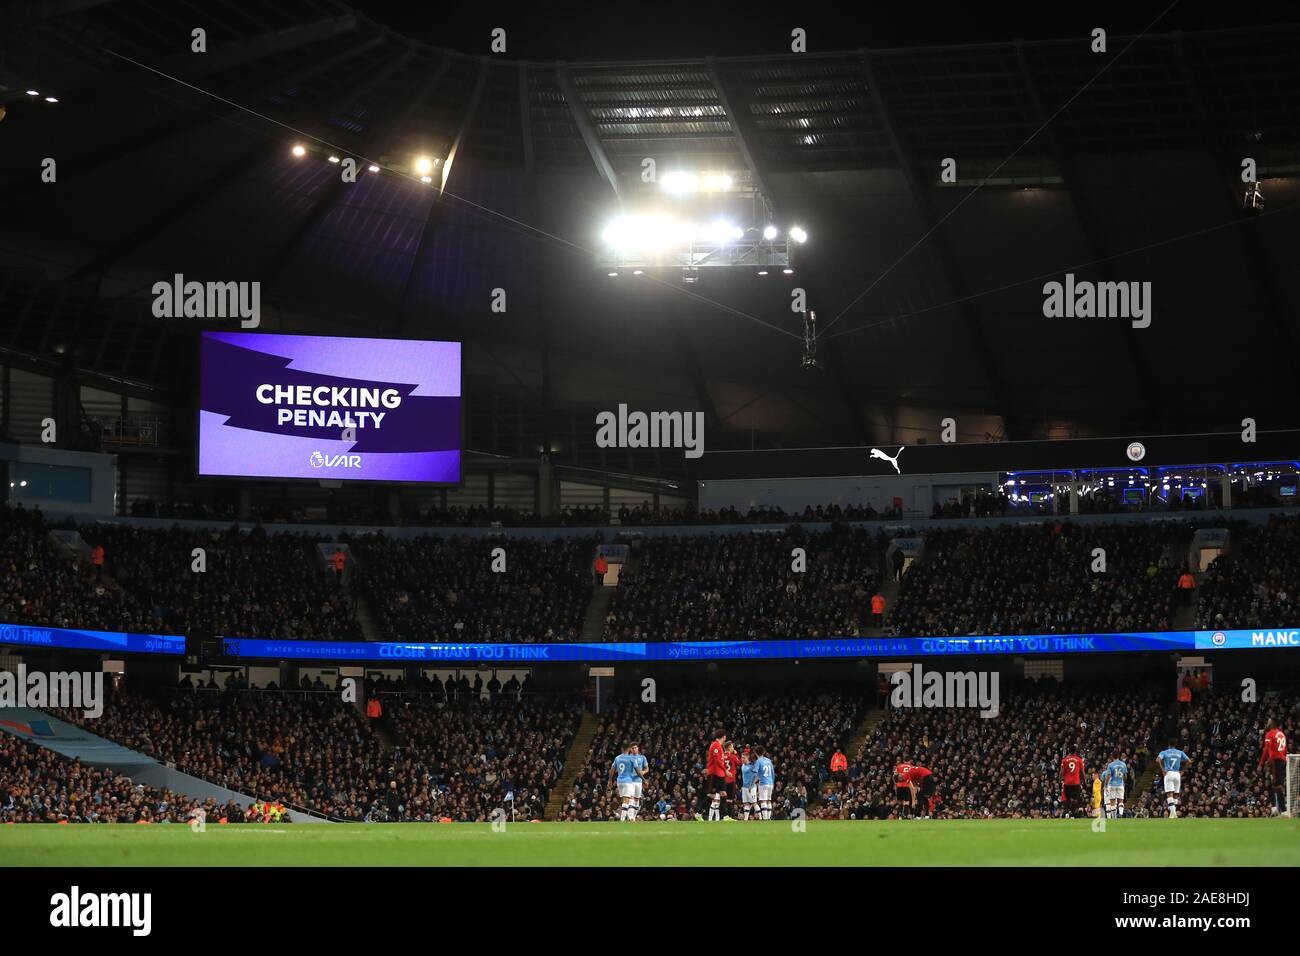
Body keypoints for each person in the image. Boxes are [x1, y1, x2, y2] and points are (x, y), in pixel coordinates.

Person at [610, 742, 648, 822]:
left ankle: (630, 817)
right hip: (628, 781)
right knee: (628, 800)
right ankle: (623, 819)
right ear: (629, 749)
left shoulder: (617, 758)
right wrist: (644, 780)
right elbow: (638, 771)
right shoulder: (631, 758)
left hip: (619, 781)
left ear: (621, 749)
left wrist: (610, 781)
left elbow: (612, 770)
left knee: (626, 799)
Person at [696, 729, 728, 821]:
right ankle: (698, 813)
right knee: (712, 795)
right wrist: (725, 771)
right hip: (715, 773)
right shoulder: (715, 745)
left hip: (719, 773)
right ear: (723, 736)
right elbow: (718, 761)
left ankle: (725, 816)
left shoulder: (718, 746)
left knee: (723, 793)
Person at [1259, 719, 1289, 816]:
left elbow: (1267, 749)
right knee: (1274, 783)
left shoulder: (1270, 734)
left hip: (1276, 760)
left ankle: (1283, 811)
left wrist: (1261, 763)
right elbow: (1285, 749)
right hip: (1282, 759)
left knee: (1277, 786)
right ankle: (1276, 808)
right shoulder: (1281, 734)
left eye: (1268, 722)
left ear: (1272, 724)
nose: (1266, 723)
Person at [1156, 744, 1191, 818]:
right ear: (1175, 745)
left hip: (1169, 773)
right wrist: (1183, 771)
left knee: (1169, 794)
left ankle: (1173, 813)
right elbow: (1189, 761)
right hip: (1177, 773)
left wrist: (1162, 770)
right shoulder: (1180, 752)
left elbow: (1158, 760)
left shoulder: (1164, 752)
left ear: (1168, 745)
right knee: (1176, 794)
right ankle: (1173, 813)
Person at [1060, 751, 1086, 817]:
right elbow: (1082, 772)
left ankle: (1068, 813)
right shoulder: (1079, 760)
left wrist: (1060, 779)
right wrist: (1083, 780)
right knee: (1075, 799)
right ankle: (1073, 814)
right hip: (1076, 783)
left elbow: (1061, 772)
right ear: (1075, 752)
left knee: (1068, 799)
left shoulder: (1065, 760)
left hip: (1067, 783)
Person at [753, 747, 776, 821]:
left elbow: (755, 773)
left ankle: (765, 818)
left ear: (756, 753)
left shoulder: (758, 761)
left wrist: (752, 782)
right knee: (769, 800)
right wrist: (773, 782)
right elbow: (772, 773)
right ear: (763, 752)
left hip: (763, 783)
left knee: (763, 800)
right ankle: (769, 818)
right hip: (770, 783)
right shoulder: (769, 760)